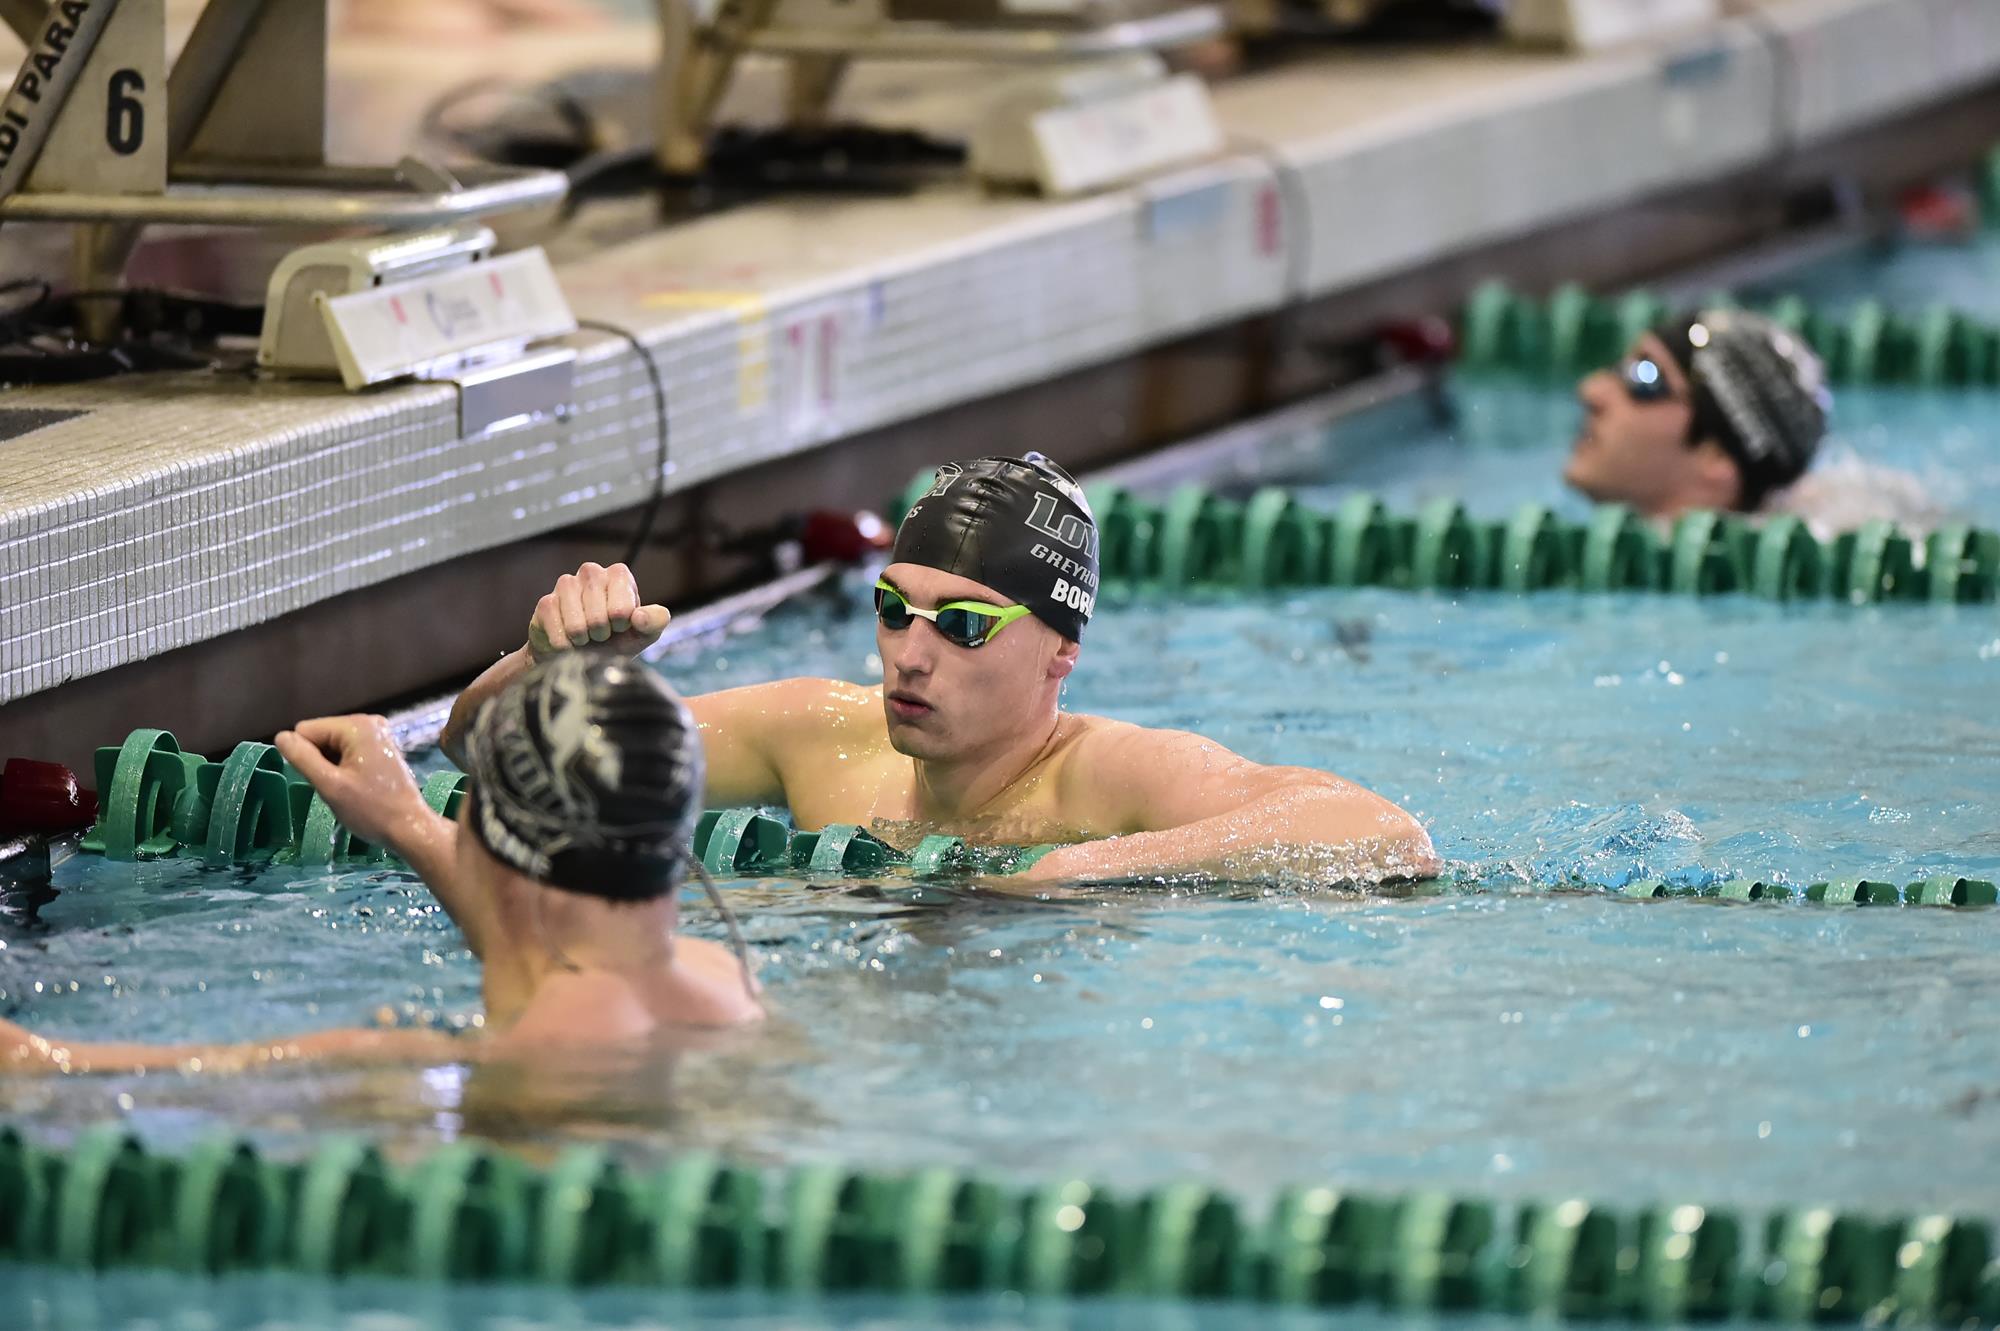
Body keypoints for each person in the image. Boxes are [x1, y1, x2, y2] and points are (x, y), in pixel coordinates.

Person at [445, 454, 1441, 885]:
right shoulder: (817, 734)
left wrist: (1079, 866)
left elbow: (1382, 832)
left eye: (962, 623)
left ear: (1061, 653)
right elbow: (481, 765)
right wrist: (542, 670)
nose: (908, 654)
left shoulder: (1106, 776)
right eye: (892, 609)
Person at [0, 654, 762, 1077]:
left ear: (482, 829)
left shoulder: (451, 1072)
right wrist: (403, 819)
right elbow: (550, 918)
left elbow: (48, 1073)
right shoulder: (728, 988)